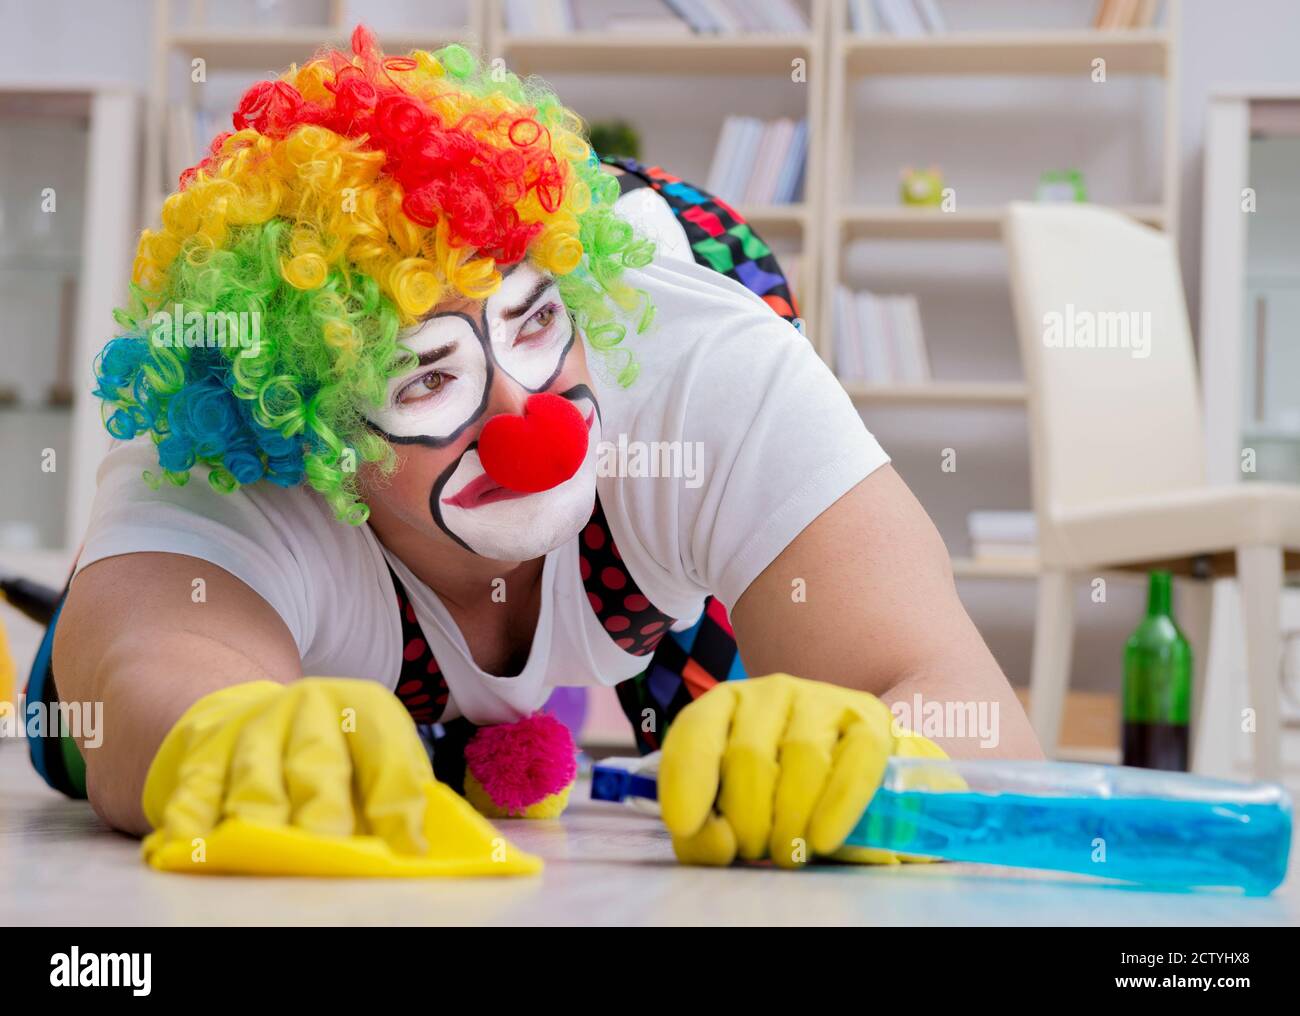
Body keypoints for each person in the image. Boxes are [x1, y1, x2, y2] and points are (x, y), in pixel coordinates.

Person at [38, 27, 1039, 871]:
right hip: (346, 628)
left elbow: (971, 708)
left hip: (655, 575)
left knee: (750, 765)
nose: (531, 420)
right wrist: (227, 736)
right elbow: (135, 684)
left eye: (532, 324)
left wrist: (894, 755)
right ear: (304, 434)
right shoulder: (225, 461)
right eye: (426, 377)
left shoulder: (699, 371)